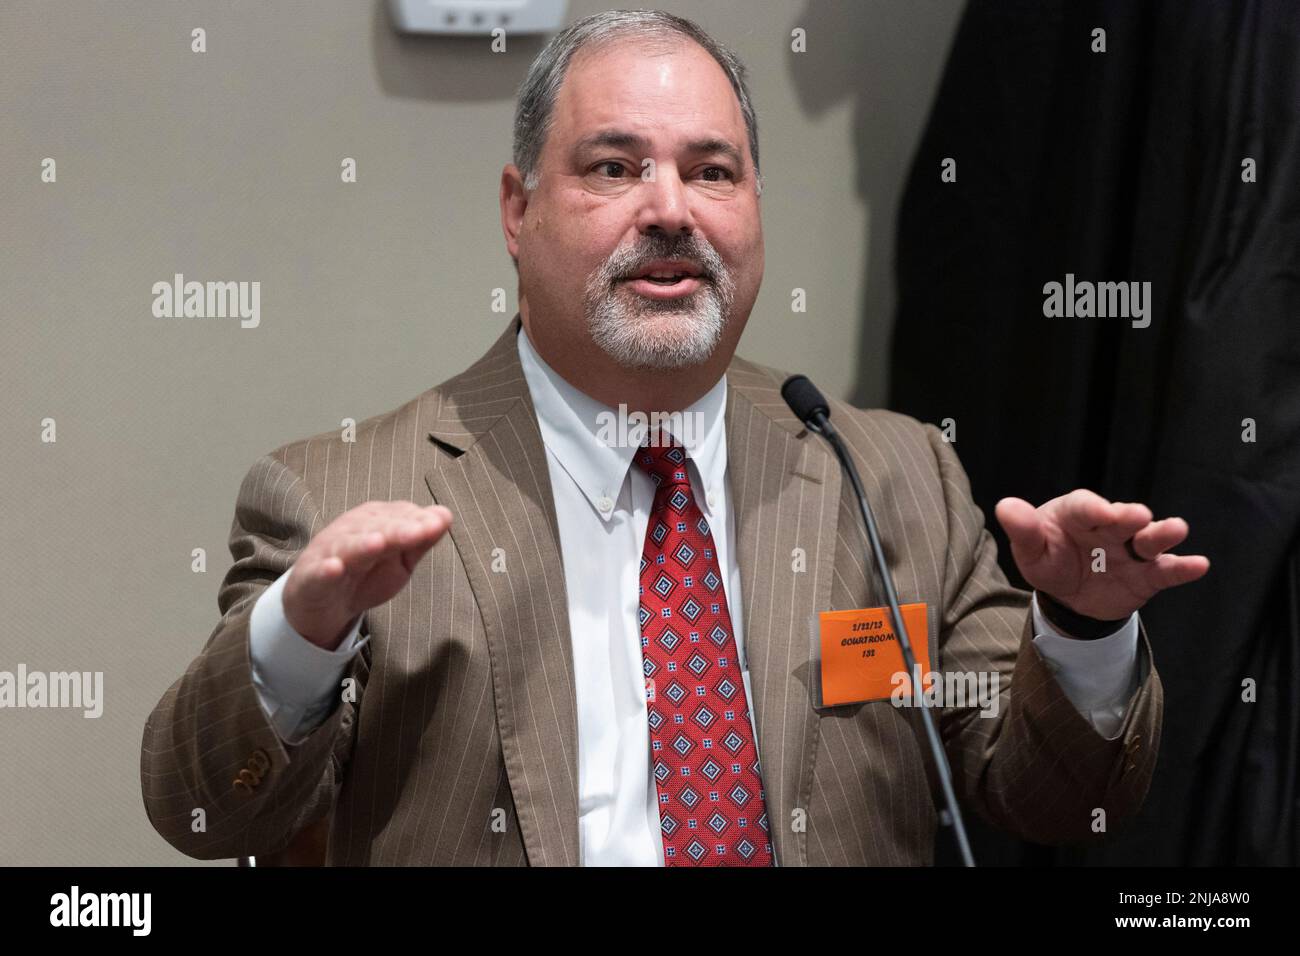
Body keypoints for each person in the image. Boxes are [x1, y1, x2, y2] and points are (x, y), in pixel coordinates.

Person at [140, 9, 1208, 866]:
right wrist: (302, 634)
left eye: (711, 171)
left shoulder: (894, 476)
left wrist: (1076, 627)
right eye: (613, 168)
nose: (670, 210)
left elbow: (1052, 798)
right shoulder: (341, 493)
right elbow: (202, 812)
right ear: (518, 211)